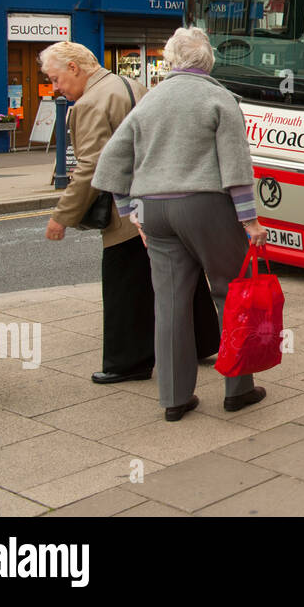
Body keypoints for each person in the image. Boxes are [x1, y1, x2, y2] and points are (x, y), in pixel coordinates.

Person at [93, 27, 268, 422]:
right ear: (208, 61)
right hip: (205, 205)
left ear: (171, 61)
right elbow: (236, 168)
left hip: (155, 209)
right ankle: (238, 389)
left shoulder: (150, 102)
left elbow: (111, 161)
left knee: (169, 302)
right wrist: (250, 221)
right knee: (231, 293)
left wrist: (131, 213)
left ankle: (174, 399)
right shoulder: (219, 99)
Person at [41, 42, 219, 386]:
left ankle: (128, 362)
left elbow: (92, 167)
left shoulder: (91, 102)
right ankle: (202, 341)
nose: (57, 88)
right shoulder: (128, 84)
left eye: (57, 78)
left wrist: (62, 215)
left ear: (75, 68)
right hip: (163, 195)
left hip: (128, 209)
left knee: (124, 283)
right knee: (179, 271)